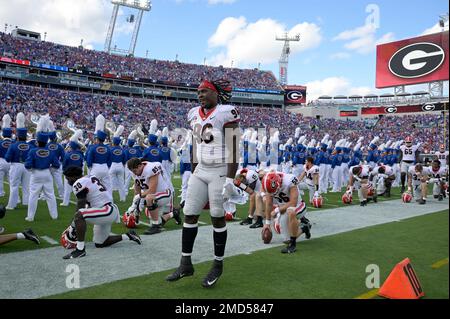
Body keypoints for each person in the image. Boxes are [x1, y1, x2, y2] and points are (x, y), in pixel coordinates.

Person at [166, 79, 240, 288]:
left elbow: (234, 147)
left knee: (217, 216)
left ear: (216, 94)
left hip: (219, 169)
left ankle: (218, 264)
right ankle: (185, 263)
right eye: (198, 91)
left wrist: (230, 179)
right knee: (189, 213)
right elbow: (195, 144)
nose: (200, 95)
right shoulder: (193, 113)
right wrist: (193, 171)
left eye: (205, 91)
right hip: (201, 170)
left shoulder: (226, 112)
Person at [61, 166, 142, 259]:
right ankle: (128, 235)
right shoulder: (88, 177)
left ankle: (80, 250)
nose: (68, 182)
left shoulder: (78, 183)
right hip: (105, 211)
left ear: (74, 177)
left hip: (106, 210)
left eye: (68, 179)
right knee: (100, 243)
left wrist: (72, 225)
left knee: (79, 215)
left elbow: (81, 205)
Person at [126, 157, 181, 235]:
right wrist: (135, 209)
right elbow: (137, 191)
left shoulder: (150, 169)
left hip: (164, 193)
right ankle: (173, 214)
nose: (134, 173)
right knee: (151, 214)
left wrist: (139, 198)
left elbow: (152, 190)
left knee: (149, 199)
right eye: (132, 171)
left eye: (134, 171)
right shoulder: (136, 171)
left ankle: (156, 226)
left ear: (139, 166)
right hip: (155, 196)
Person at [261, 171, 311, 254]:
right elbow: (269, 203)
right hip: (284, 208)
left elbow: (293, 203)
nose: (273, 194)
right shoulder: (268, 182)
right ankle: (304, 228)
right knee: (287, 239)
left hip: (298, 205)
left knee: (291, 211)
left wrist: (277, 210)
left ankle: (293, 245)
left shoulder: (290, 180)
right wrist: (267, 223)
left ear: (278, 182)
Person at [24, 116, 60, 221]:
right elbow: (57, 165)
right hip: (47, 174)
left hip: (36, 174)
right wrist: (49, 170)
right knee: (50, 195)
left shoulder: (32, 151)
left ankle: (30, 217)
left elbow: (27, 165)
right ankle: (54, 216)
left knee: (33, 195)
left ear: (37, 141)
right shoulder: (51, 151)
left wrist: (33, 171)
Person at [5, 112, 31, 210]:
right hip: (27, 167)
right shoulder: (30, 146)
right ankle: (26, 203)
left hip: (16, 166)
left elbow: (7, 158)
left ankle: (12, 205)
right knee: (26, 186)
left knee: (14, 186)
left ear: (18, 136)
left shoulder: (13, 145)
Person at [0, 115, 13, 198]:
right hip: (11, 162)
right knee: (11, 181)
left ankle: (1, 193)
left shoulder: (0, 142)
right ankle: (14, 195)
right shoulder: (14, 142)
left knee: (0, 180)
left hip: (1, 161)